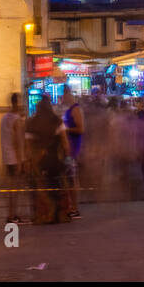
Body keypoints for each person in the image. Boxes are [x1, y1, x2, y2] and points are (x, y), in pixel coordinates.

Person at [25, 95, 70, 224]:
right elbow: (65, 143)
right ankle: (60, 215)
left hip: (39, 162)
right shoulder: (57, 121)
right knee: (57, 186)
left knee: (40, 188)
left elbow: (28, 146)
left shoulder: (31, 122)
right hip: (54, 160)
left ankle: (43, 216)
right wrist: (66, 157)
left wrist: (29, 161)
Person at [0, 92, 27, 224]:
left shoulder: (5, 118)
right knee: (15, 189)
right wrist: (21, 160)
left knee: (11, 188)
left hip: (6, 158)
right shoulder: (16, 120)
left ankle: (11, 215)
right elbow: (17, 142)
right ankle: (13, 216)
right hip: (14, 159)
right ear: (16, 103)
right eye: (20, 102)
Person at [59, 85, 84, 218]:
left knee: (72, 179)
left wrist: (65, 129)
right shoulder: (69, 109)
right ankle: (72, 206)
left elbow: (80, 129)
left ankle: (75, 208)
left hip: (73, 149)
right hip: (69, 149)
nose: (62, 97)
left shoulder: (75, 109)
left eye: (63, 94)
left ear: (68, 94)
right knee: (70, 178)